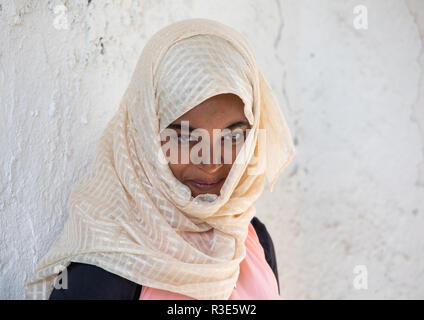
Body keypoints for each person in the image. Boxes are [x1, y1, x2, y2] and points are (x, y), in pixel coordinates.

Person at [25, 18, 295, 300]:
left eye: (233, 136)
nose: (212, 163)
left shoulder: (251, 239)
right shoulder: (108, 266)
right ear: (144, 135)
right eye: (184, 137)